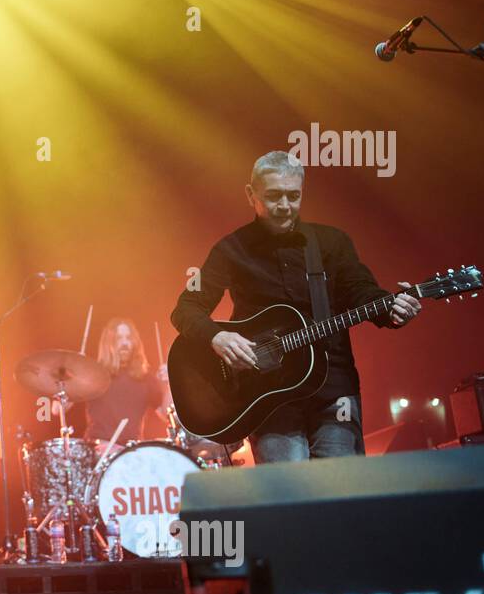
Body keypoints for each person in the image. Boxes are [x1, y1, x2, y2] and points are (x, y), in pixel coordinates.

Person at [170, 150, 420, 463]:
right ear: (251, 195)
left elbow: (360, 291)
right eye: (273, 196)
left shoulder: (332, 242)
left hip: (333, 390)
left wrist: (392, 310)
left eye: (293, 196)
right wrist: (217, 338)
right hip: (267, 399)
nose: (284, 207)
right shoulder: (230, 250)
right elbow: (186, 307)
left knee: (343, 495)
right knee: (291, 496)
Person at [82, 317, 171, 443]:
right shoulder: (95, 374)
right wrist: (74, 371)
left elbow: (167, 415)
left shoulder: (145, 377)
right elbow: (58, 409)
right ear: (109, 343)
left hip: (131, 452)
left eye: (128, 338)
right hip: (99, 448)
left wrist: (169, 384)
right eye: (119, 338)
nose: (125, 343)